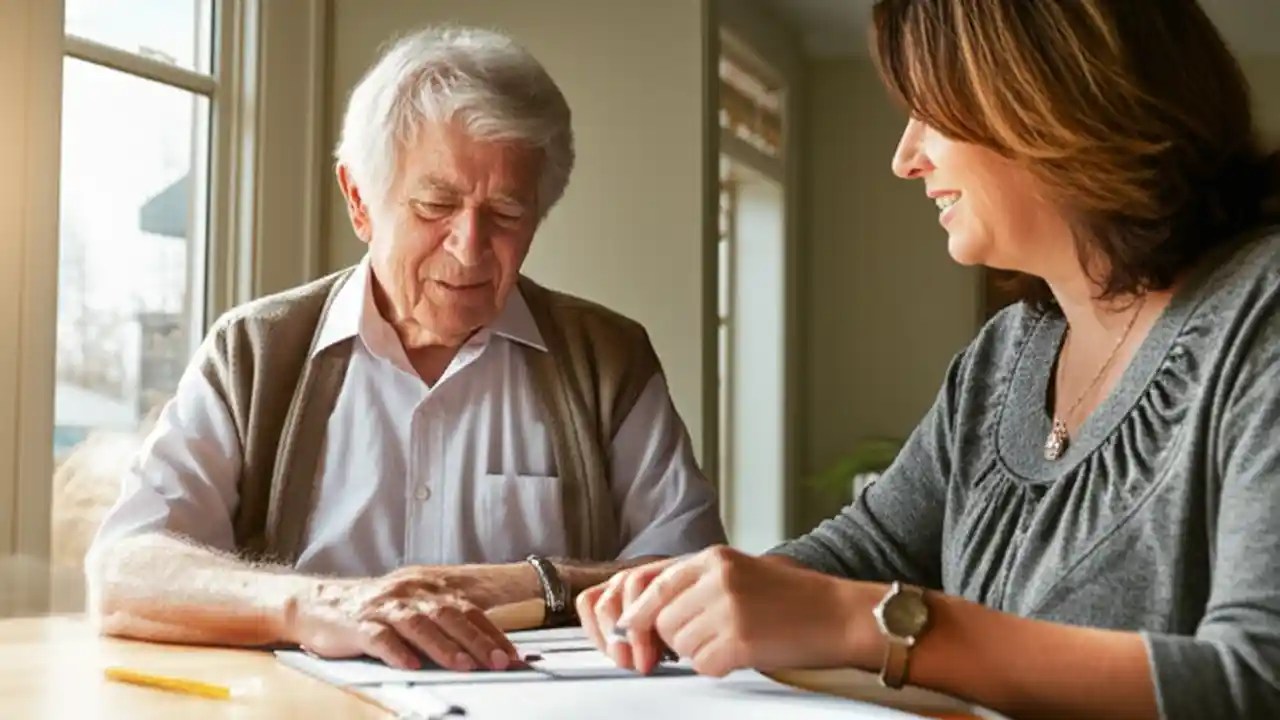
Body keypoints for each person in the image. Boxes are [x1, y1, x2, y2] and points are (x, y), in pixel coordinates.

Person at [577, 1, 1280, 718]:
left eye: (929, 115)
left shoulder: (1263, 317)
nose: (905, 158)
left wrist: (872, 623)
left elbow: (1257, 681)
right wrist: (710, 592)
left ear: (1048, 101)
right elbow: (867, 546)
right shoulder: (1005, 355)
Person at [85, 26, 725, 673]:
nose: (470, 247)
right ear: (360, 201)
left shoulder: (607, 359)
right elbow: (126, 571)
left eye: (505, 214)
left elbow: (695, 579)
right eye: (435, 204)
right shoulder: (254, 351)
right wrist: (321, 604)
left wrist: (532, 583)